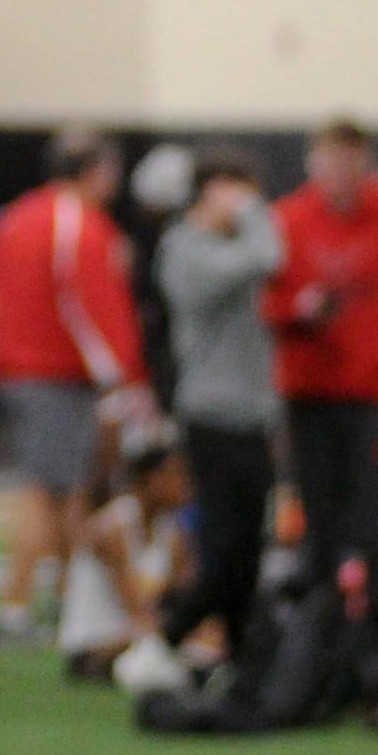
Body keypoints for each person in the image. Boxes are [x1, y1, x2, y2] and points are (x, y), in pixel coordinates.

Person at [0, 129, 147, 646]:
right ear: (96, 171)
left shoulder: (15, 215)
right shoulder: (77, 224)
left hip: (21, 367)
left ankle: (70, 597)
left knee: (68, 489)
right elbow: (86, 304)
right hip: (51, 370)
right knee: (49, 490)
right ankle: (14, 606)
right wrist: (123, 375)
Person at [263, 120, 378, 597]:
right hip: (309, 391)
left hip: (375, 393)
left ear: (363, 163)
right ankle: (320, 638)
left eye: (349, 160)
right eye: (330, 159)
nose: (340, 171)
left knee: (377, 519)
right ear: (311, 161)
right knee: (318, 520)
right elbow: (264, 303)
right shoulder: (289, 218)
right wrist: (296, 310)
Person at [153, 147, 283, 662]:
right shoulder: (186, 248)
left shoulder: (231, 245)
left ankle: (238, 647)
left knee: (250, 547)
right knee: (225, 546)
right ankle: (164, 639)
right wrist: (253, 215)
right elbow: (266, 257)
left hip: (253, 414)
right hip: (212, 415)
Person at [59, 436, 193, 684]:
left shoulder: (171, 530)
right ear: (152, 479)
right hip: (97, 646)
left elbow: (185, 590)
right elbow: (136, 606)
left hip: (141, 634)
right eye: (176, 475)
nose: (185, 483)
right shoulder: (113, 528)